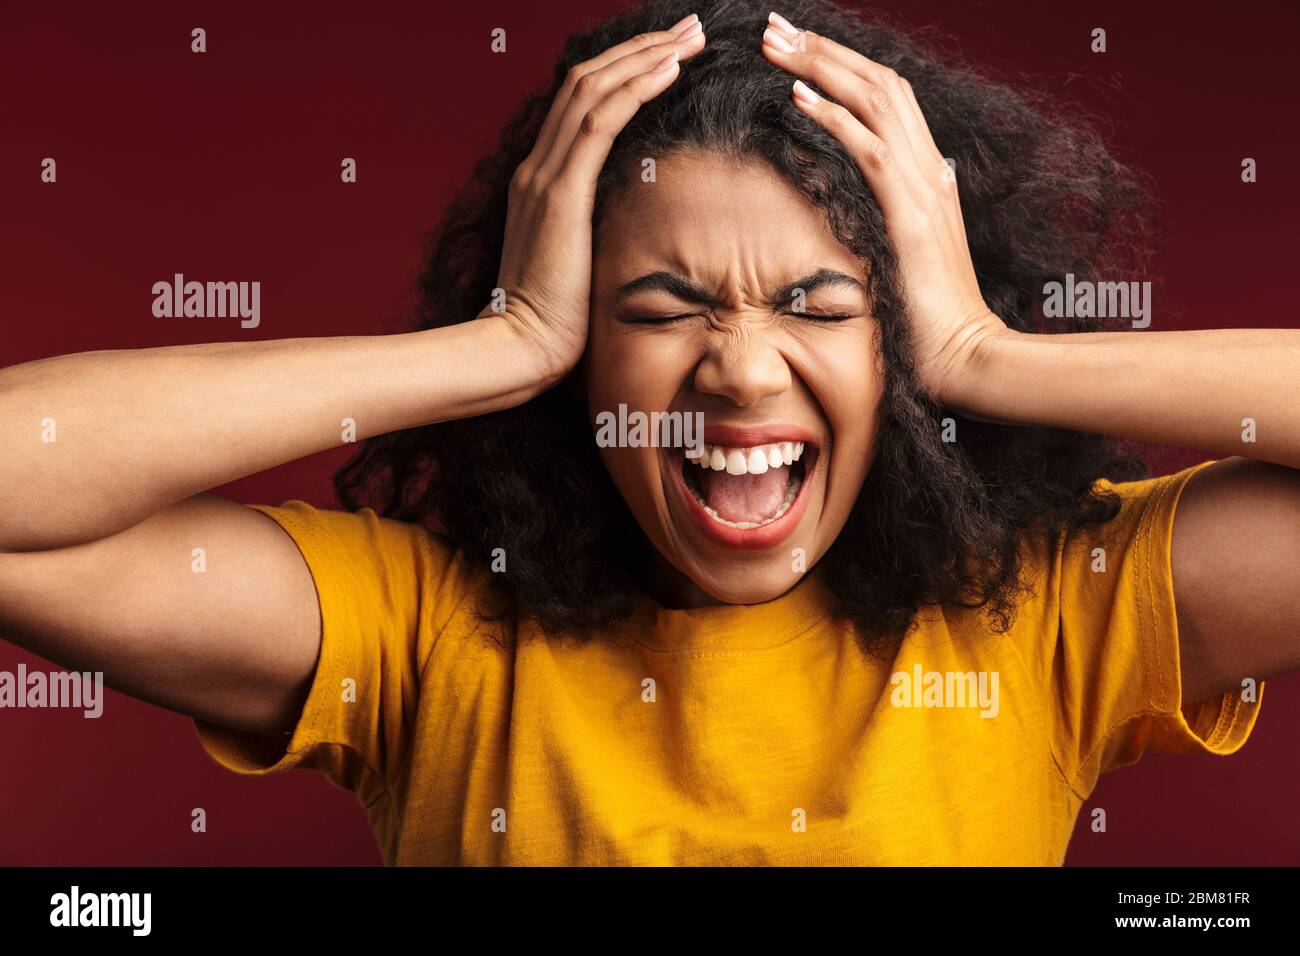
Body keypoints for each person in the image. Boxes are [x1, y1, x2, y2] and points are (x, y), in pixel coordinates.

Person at [1, 0, 1296, 865]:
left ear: (894, 349)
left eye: (818, 304)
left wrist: (983, 355)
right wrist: (492, 348)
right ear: (582, 352)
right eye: (664, 307)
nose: (739, 373)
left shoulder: (1063, 614)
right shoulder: (424, 629)